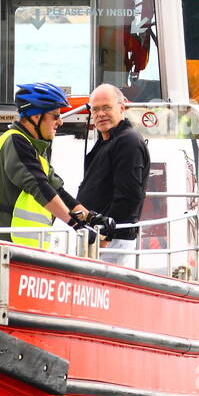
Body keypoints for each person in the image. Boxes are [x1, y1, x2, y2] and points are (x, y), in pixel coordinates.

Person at [0, 82, 88, 247]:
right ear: (36, 117)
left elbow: (57, 190)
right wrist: (74, 224)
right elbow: (38, 186)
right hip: (2, 243)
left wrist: (90, 218)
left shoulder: (34, 147)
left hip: (22, 244)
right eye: (55, 115)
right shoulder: (15, 141)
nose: (60, 122)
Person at [76, 83, 151, 266]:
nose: (101, 114)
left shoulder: (128, 142)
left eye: (107, 107)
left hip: (112, 239)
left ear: (122, 108)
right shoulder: (107, 140)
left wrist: (106, 234)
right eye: (95, 109)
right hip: (97, 234)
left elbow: (129, 195)